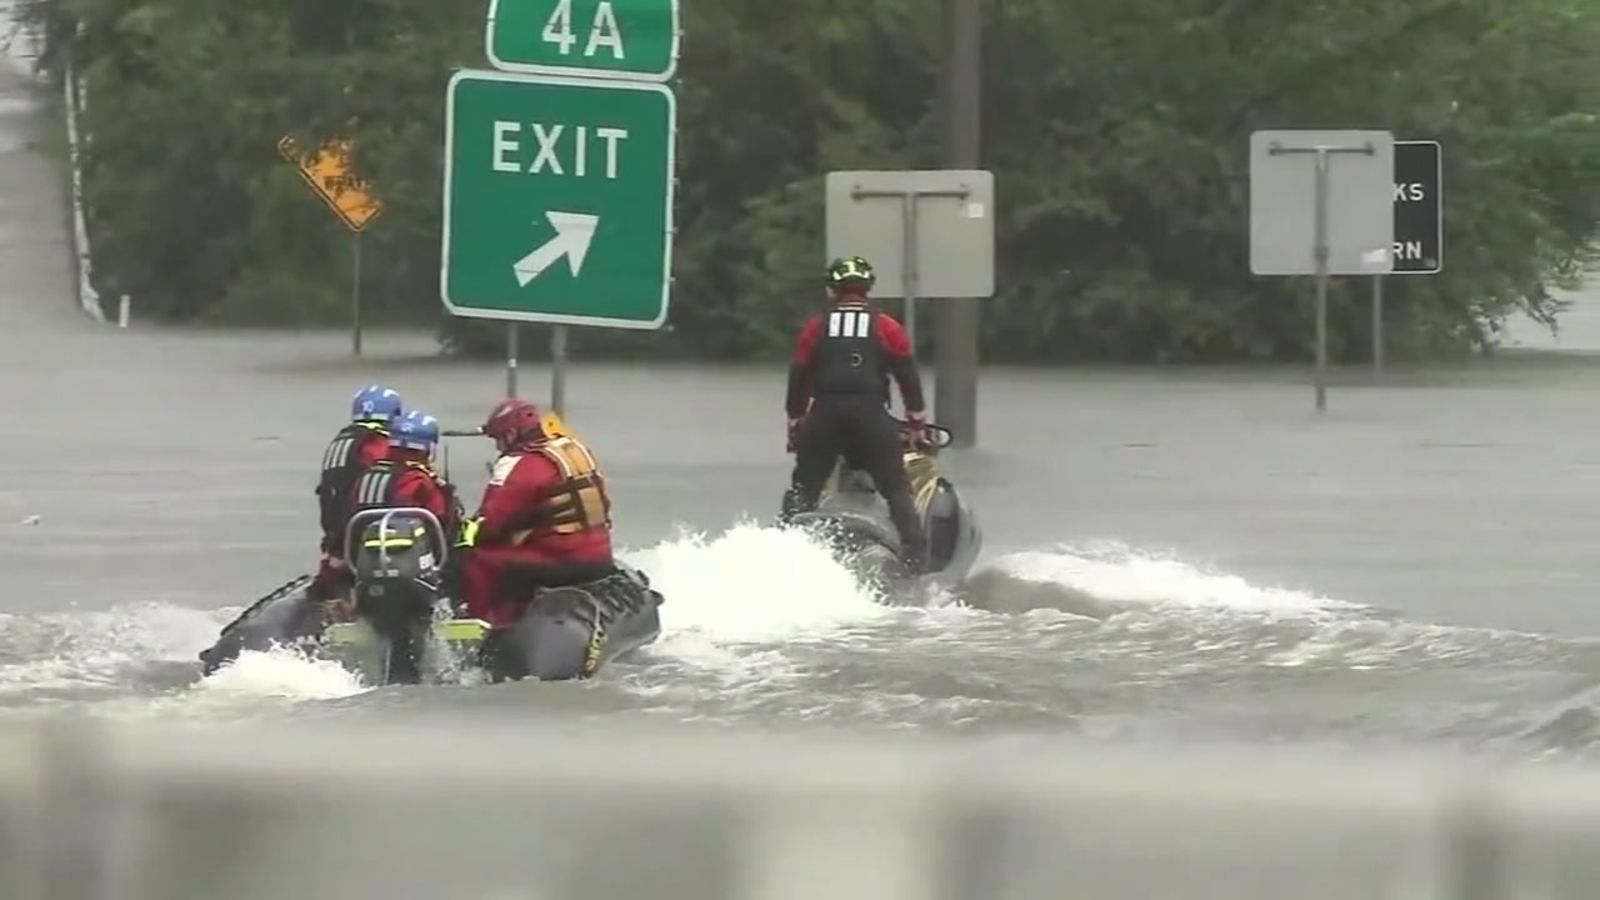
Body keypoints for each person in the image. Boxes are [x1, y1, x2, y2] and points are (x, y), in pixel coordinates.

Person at [779, 255, 931, 572]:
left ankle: (783, 554)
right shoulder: (887, 327)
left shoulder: (816, 328)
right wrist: (916, 421)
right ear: (868, 288)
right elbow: (908, 377)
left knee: (803, 489)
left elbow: (799, 376)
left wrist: (795, 421)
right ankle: (915, 562)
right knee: (896, 487)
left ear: (832, 290)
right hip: (871, 414)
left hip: (825, 414)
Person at [454, 398, 616, 625]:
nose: (498, 447)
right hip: (601, 554)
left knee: (480, 560)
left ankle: (481, 625)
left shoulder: (519, 464)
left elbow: (492, 524)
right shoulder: (573, 449)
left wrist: (465, 536)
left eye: (499, 439)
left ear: (512, 434)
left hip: (563, 560)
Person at [307, 385, 403, 605]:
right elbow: (392, 477)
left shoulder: (342, 441)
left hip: (336, 530)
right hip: (363, 532)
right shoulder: (375, 444)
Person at [346, 410, 463, 554]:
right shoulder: (422, 481)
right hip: (413, 557)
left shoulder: (367, 476)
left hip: (363, 557)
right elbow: (442, 521)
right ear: (428, 449)